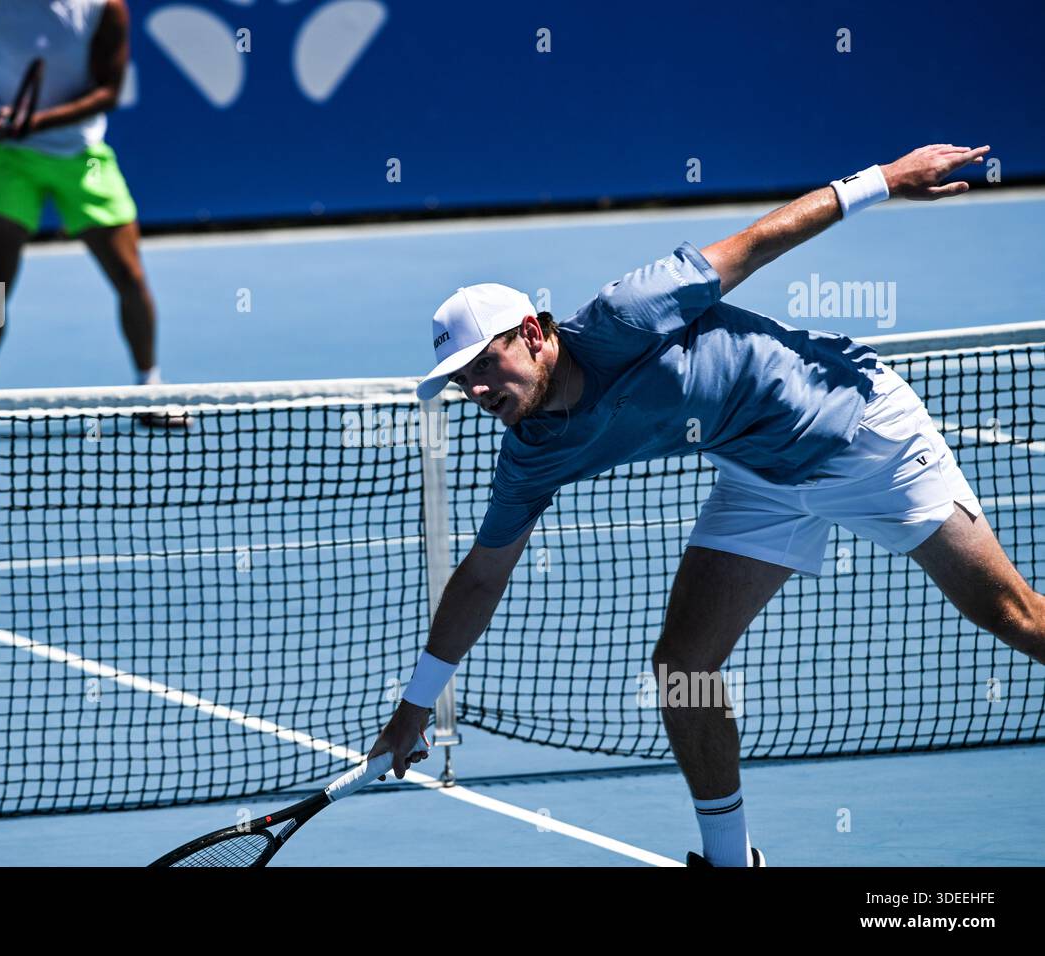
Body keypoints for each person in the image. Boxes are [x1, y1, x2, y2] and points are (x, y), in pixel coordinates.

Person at [367, 144, 1045, 866]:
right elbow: (481, 576)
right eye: (460, 381)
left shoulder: (629, 312)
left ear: (533, 334)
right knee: (684, 665)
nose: (476, 392)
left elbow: (757, 243)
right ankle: (731, 862)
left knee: (1013, 617)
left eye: (482, 366)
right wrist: (415, 704)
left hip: (861, 432)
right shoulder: (532, 451)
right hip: (760, 474)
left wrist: (885, 181)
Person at [0, 0, 163, 391]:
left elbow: (109, 92)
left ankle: (150, 384)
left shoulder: (105, 7)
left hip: (82, 158)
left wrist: (36, 123)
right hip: (10, 160)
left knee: (130, 276)